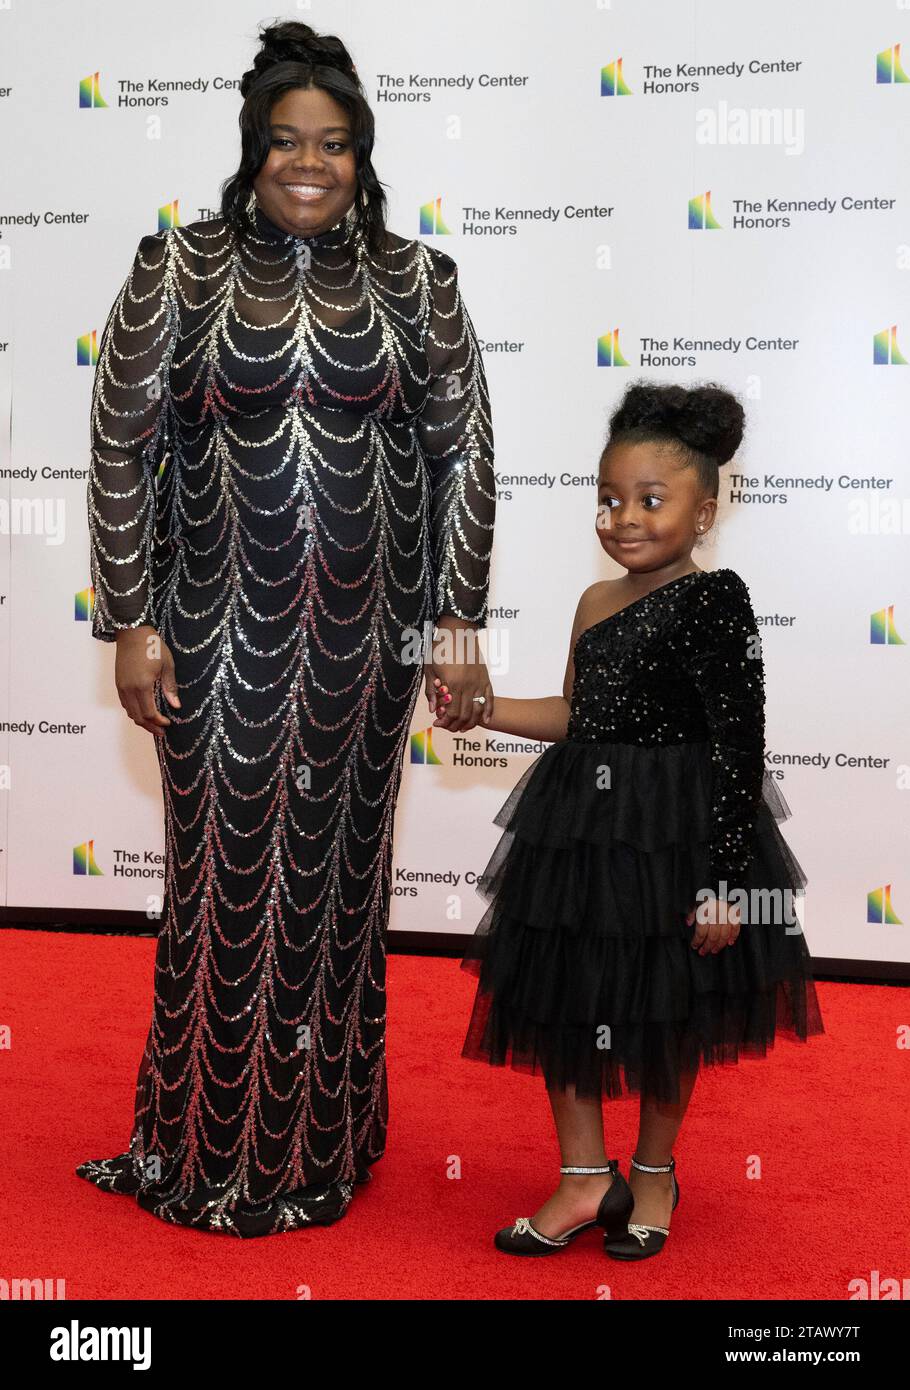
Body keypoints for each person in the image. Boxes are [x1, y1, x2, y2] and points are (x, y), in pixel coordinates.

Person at [78, 20, 496, 1237]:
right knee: (219, 882)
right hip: (210, 634)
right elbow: (122, 445)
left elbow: (461, 448)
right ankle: (197, 1147)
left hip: (364, 653)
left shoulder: (420, 281)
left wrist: (456, 622)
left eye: (334, 145)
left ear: (362, 157)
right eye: (285, 142)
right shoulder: (178, 267)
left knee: (339, 888)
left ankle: (327, 1135)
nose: (308, 164)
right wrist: (131, 615)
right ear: (253, 151)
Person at [432, 380, 824, 1259]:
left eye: (652, 499)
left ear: (707, 508)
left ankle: (653, 1171)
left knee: (667, 1007)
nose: (624, 518)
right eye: (608, 499)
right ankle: (582, 1179)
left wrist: (726, 878)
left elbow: (739, 746)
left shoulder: (718, 600)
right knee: (561, 997)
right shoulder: (591, 602)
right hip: (582, 831)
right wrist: (482, 709)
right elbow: (579, 717)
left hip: (678, 835)